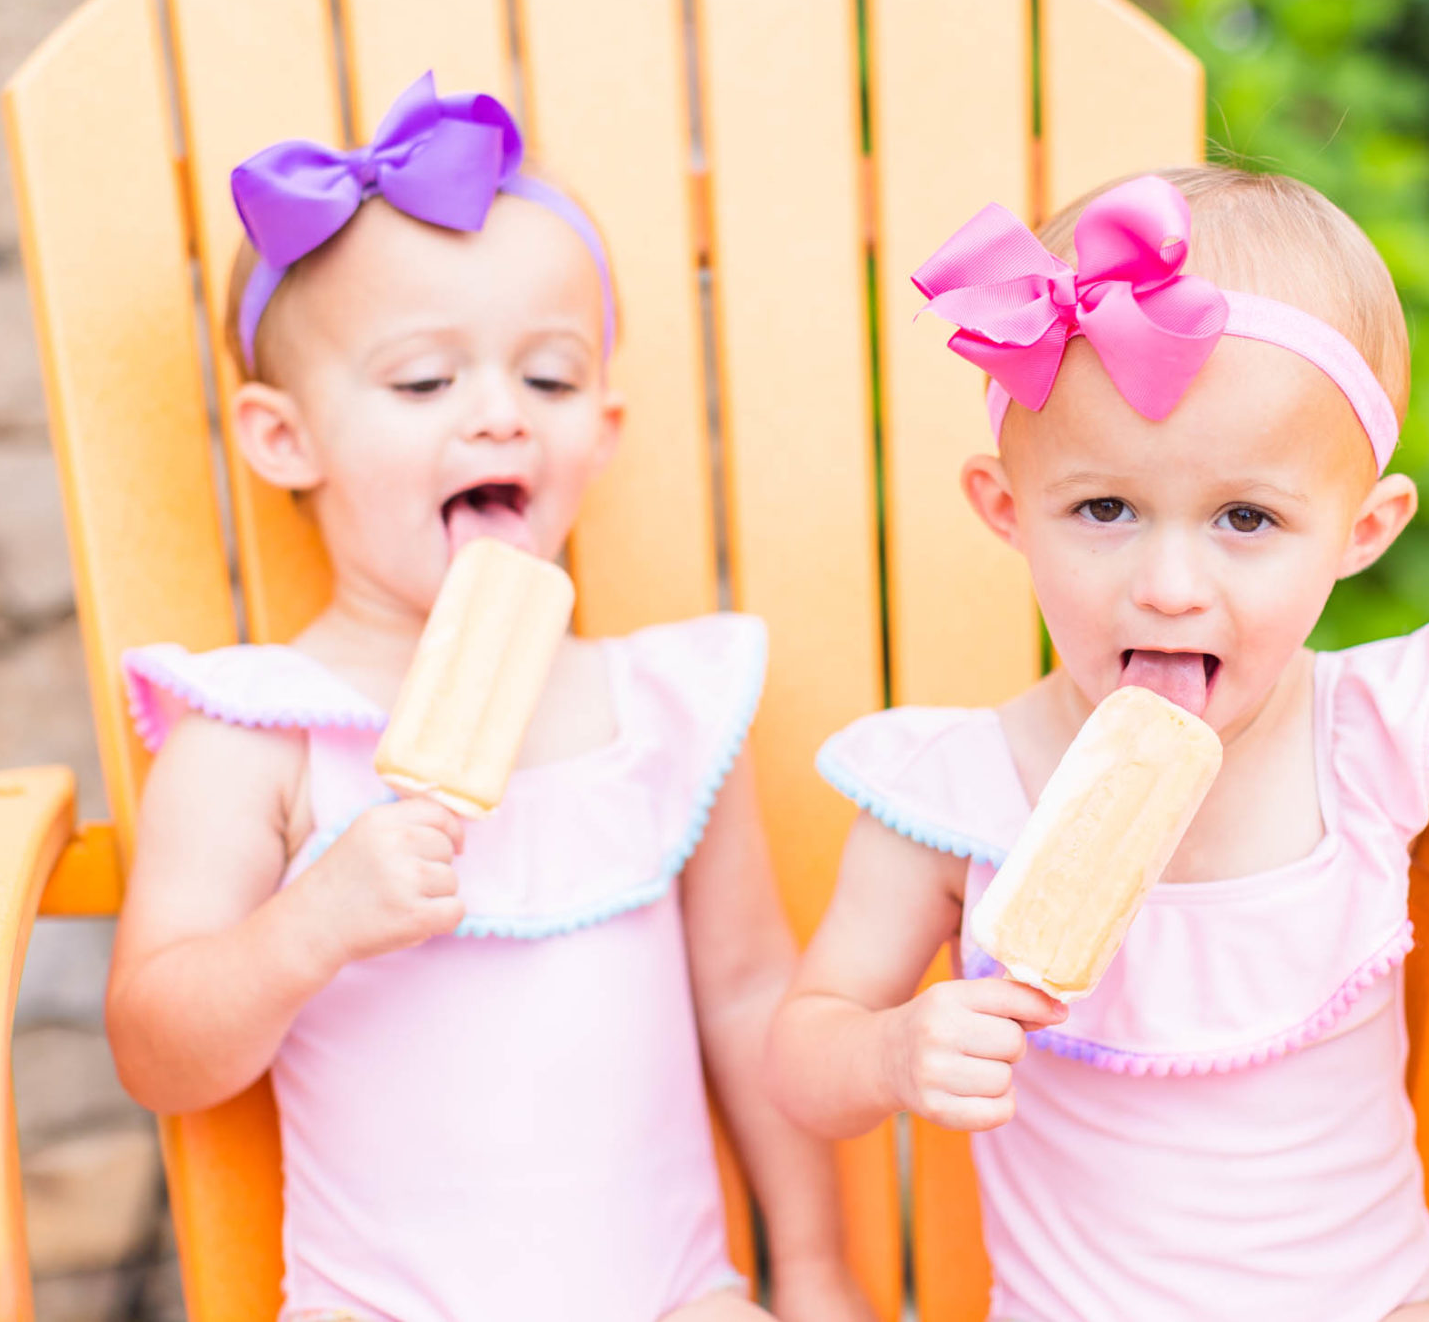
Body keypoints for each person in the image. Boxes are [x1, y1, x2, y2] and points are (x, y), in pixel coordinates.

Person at [767, 166, 1429, 1321]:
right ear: (1004, 508)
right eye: (1103, 510)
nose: (1169, 587)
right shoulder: (955, 798)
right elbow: (802, 1054)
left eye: (1245, 519)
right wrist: (889, 1055)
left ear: (1359, 530)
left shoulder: (1372, 727)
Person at [106, 72, 873, 1322]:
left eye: (550, 381)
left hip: (677, 1296)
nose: (499, 416)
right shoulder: (260, 731)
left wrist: (820, 1267)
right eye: (423, 384)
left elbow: (745, 998)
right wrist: (314, 924)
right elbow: (156, 1049)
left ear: (605, 427)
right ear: (282, 438)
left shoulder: (664, 712)